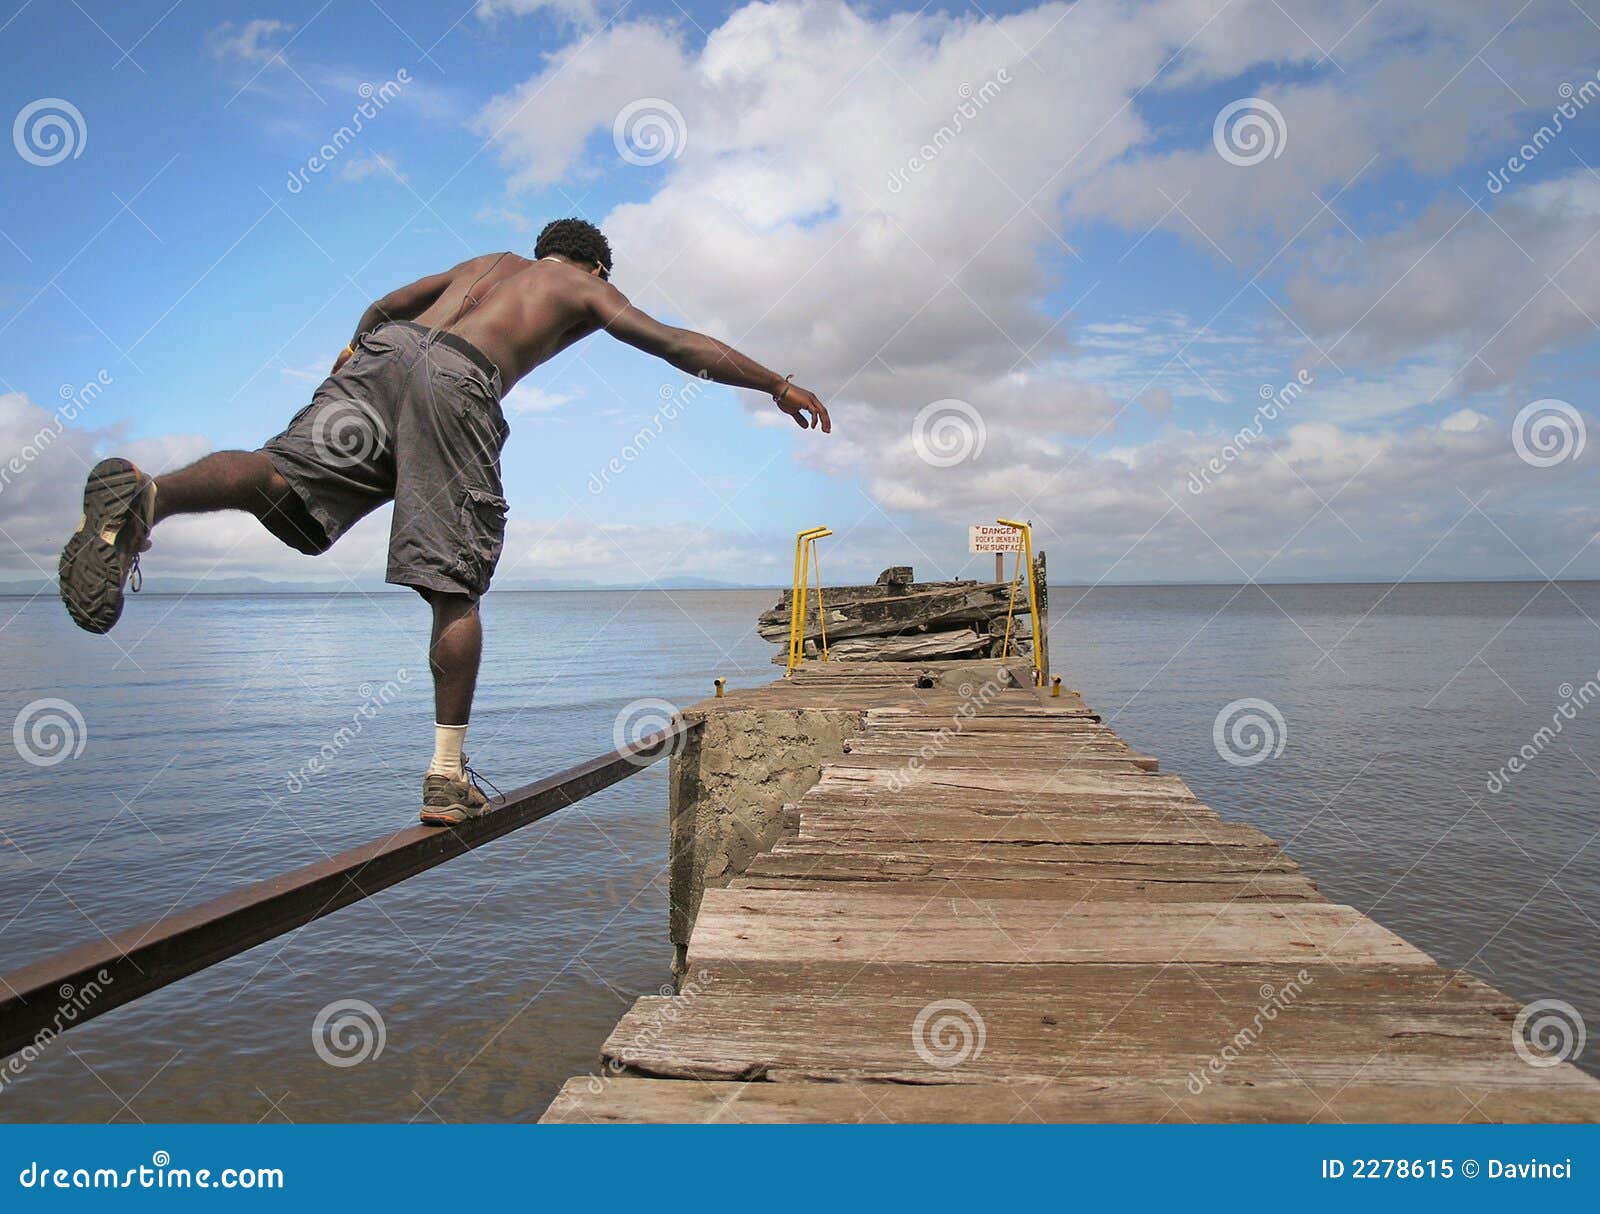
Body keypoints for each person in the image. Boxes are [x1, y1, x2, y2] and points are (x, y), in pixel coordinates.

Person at [58, 218, 831, 826]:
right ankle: (445, 774)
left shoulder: (487, 263)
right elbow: (675, 345)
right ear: (597, 267)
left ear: (541, 250)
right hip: (459, 380)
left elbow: (385, 304)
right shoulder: (585, 290)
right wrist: (774, 382)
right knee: (453, 583)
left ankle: (148, 492)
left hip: (383, 355)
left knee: (284, 484)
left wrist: (353, 353)